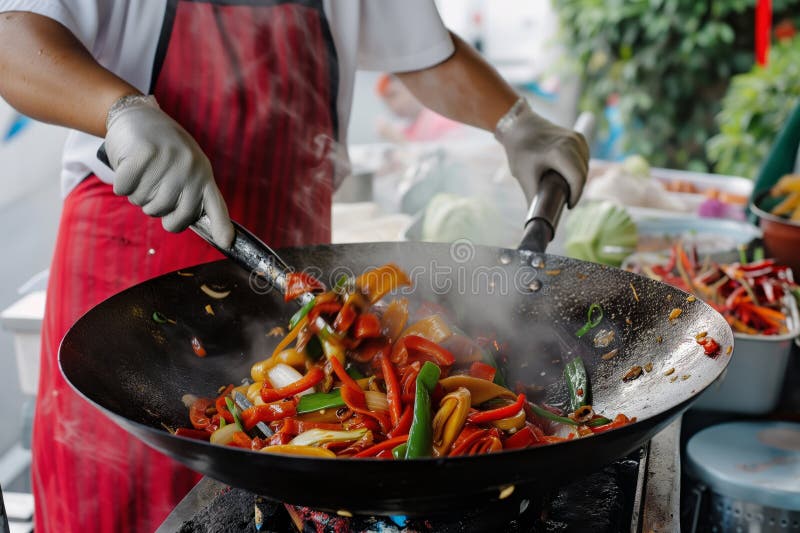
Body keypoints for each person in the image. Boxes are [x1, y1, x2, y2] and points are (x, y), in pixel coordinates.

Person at [0, 1, 589, 531]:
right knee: (119, 503)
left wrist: (516, 123)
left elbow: (425, 51)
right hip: (135, 270)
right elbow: (13, 37)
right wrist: (118, 109)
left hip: (289, 269)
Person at [375, 73, 466, 142]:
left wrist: (398, 140)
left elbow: (441, 160)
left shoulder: (443, 119)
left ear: (412, 87)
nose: (392, 106)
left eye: (394, 95)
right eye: (386, 102)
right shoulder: (404, 129)